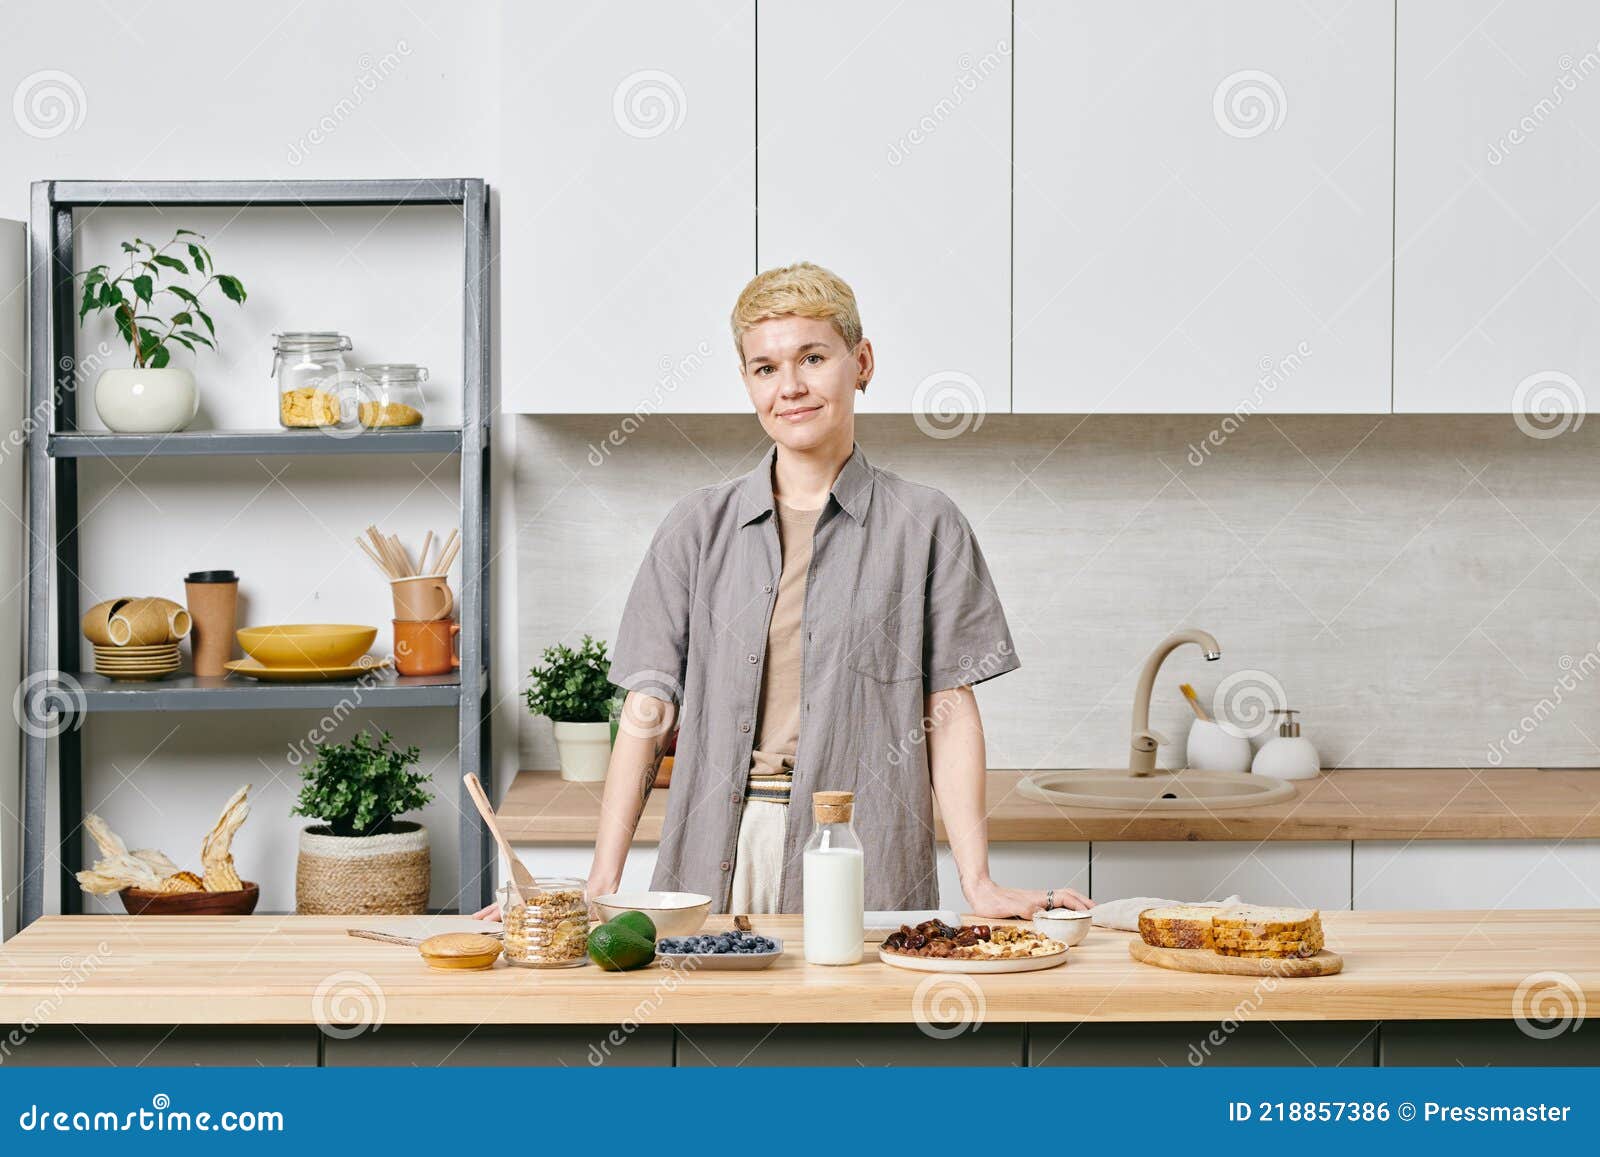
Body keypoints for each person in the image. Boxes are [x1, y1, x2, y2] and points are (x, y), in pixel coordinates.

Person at [480, 262, 1092, 919]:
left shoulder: (926, 525)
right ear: (747, 381)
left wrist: (979, 881)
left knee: (855, 1022)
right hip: (709, 858)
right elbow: (649, 710)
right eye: (765, 368)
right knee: (713, 1020)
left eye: (812, 357)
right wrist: (603, 877)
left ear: (861, 362)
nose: (790, 387)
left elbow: (950, 710)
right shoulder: (696, 527)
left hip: (862, 856)